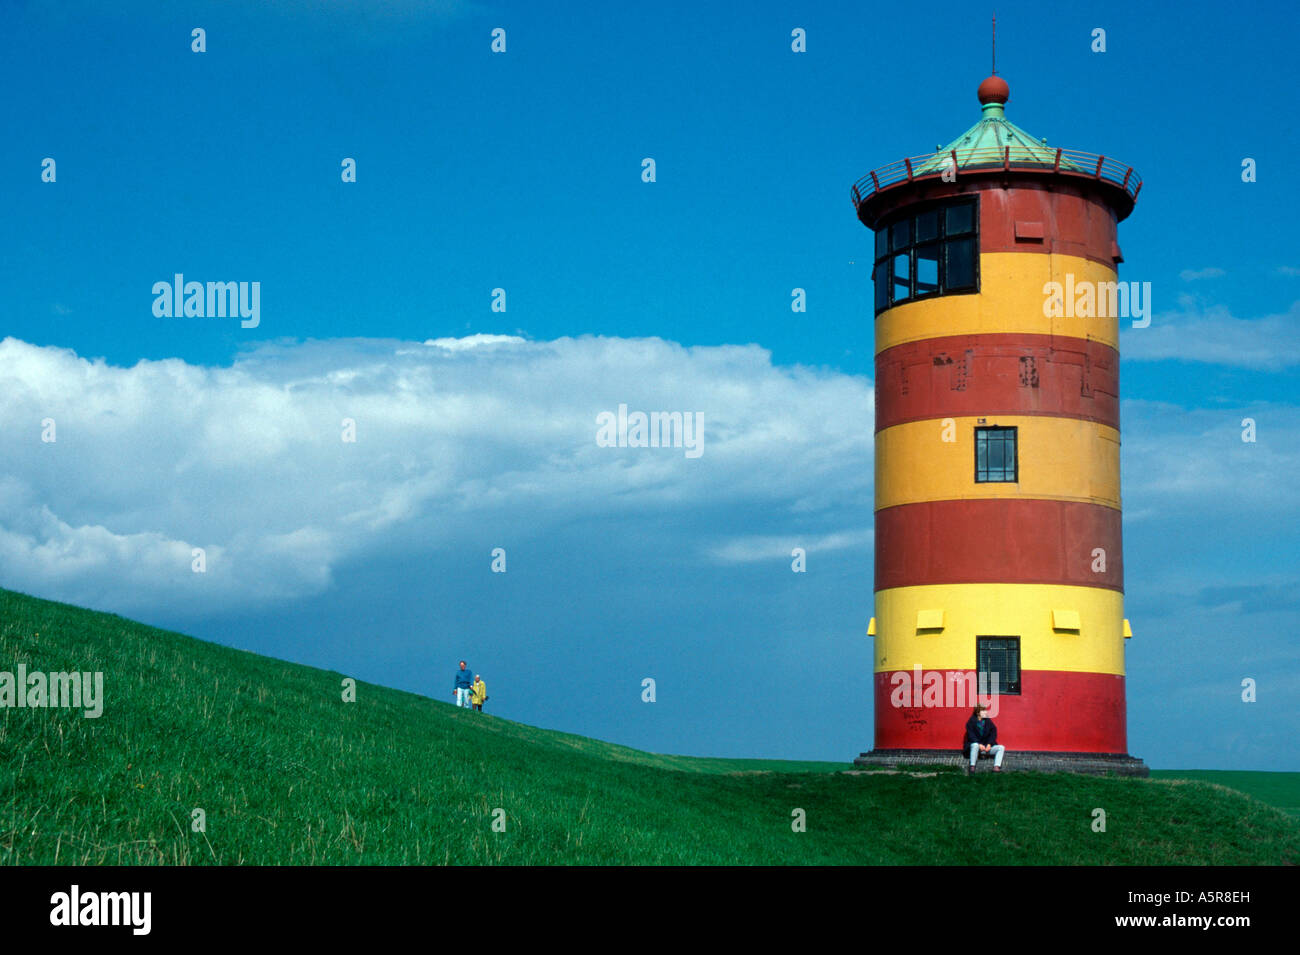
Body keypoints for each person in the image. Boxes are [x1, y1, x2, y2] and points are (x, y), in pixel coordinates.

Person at [963, 704, 1005, 774]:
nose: (986, 712)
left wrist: (989, 744)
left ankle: (996, 767)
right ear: (978, 712)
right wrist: (979, 744)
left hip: (986, 747)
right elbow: (971, 735)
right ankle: (972, 766)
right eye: (983, 710)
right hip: (976, 748)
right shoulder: (971, 722)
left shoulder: (988, 721)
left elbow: (993, 732)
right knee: (975, 745)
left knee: (1001, 747)